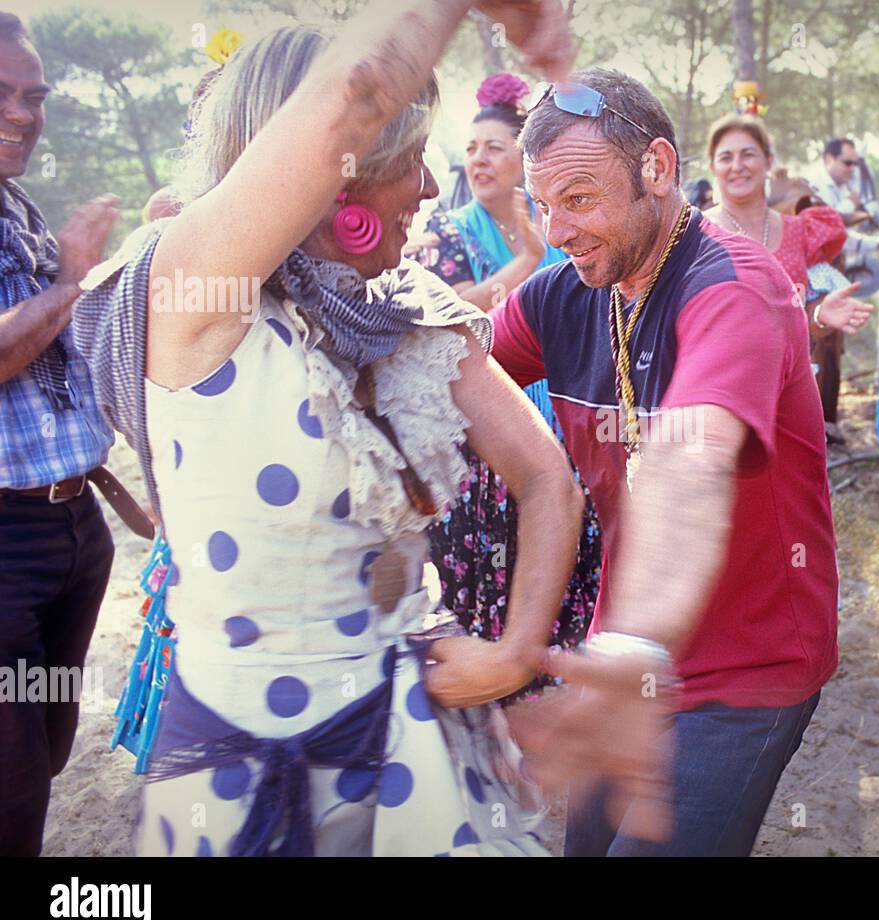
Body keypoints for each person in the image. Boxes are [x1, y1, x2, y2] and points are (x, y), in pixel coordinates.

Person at [73, 1, 583, 856]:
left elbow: (549, 480)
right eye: (413, 161)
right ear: (340, 176)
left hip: (406, 742)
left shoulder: (412, 313)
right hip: (235, 761)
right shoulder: (195, 301)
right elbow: (354, 90)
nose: (430, 188)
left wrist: (515, 650)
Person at [497, 68, 838, 856]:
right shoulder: (560, 295)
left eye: (578, 199)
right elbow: (457, 374)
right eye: (541, 205)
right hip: (627, 658)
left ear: (656, 167)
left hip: (745, 669)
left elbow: (690, 458)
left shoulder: (736, 286)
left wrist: (627, 648)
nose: (555, 230)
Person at [416, 73, 601, 698]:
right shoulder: (443, 235)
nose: (478, 159)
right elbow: (441, 324)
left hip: (565, 437)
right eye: (471, 148)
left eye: (494, 146)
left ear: (527, 156)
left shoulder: (565, 233)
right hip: (482, 455)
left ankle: (546, 683)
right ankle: (495, 682)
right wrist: (520, 263)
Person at [0, 13, 121, 857]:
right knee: (9, 789)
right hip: (6, 543)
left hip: (74, 528)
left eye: (32, 95)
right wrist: (76, 276)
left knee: (43, 754)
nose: (22, 112)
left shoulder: (16, 202)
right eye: (1, 94)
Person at [702, 114, 872, 446]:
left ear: (768, 160)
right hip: (719, 401)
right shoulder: (696, 234)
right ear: (713, 166)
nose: (737, 165)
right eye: (726, 157)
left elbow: (805, 322)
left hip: (791, 398)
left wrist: (821, 315)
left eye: (748, 154)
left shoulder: (797, 229)